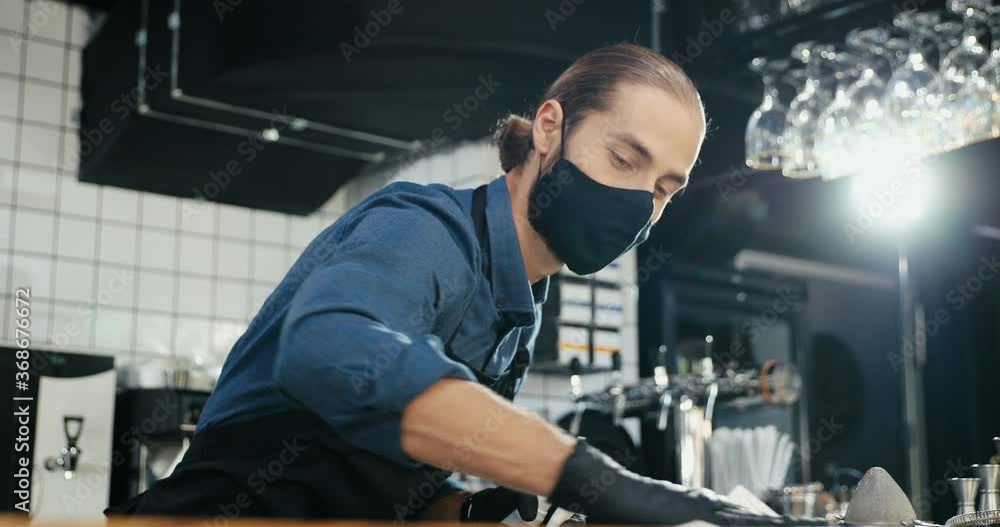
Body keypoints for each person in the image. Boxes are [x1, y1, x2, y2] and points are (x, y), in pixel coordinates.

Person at [104, 43, 791, 525]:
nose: (641, 201)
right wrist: (603, 483)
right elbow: (327, 347)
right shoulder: (423, 227)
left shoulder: (520, 312)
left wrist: (472, 510)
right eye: (623, 157)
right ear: (551, 126)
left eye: (665, 189)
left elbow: (378, 483)